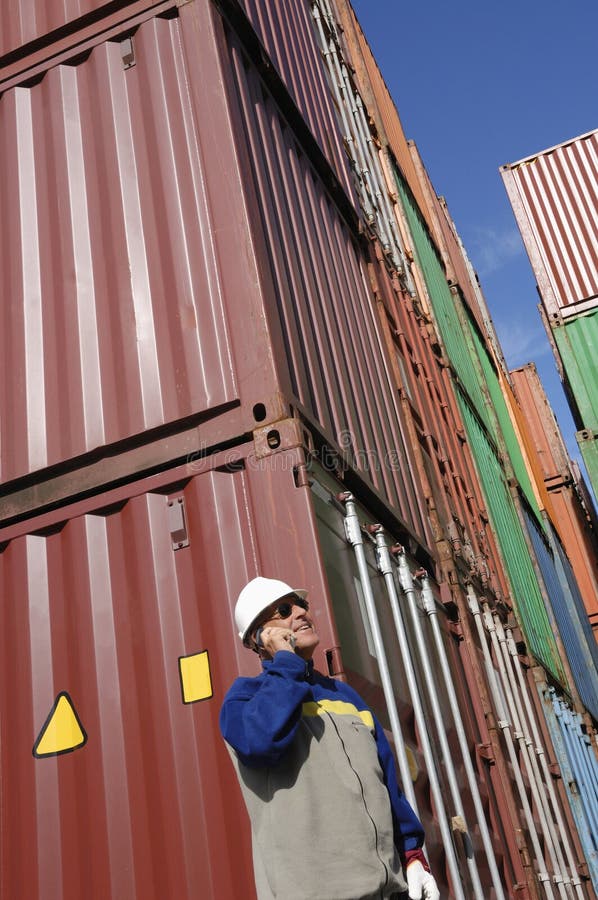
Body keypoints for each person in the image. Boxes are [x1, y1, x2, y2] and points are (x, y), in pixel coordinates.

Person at [219, 576, 441, 900]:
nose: (301, 612)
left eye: (301, 604)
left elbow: (386, 782)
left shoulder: (345, 696)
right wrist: (286, 664)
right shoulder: (245, 699)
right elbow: (262, 741)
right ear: (259, 638)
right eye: (285, 610)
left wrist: (412, 855)